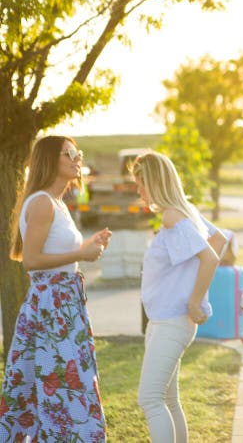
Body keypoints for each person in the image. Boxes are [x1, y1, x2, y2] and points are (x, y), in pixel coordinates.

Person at [1, 135, 111, 442]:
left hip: (64, 303)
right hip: (50, 305)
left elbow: (56, 256)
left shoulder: (58, 203)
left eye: (79, 153)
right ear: (50, 160)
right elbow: (31, 261)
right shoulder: (41, 203)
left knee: (66, 384)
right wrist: (80, 254)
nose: (78, 159)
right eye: (70, 153)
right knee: (63, 385)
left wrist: (90, 246)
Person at [130, 152, 227, 443]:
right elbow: (219, 239)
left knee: (149, 399)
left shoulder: (173, 217)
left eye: (140, 184)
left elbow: (210, 258)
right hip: (164, 320)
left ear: (153, 182)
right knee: (168, 401)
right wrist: (190, 286)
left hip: (172, 321)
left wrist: (195, 300)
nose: (138, 191)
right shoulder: (186, 212)